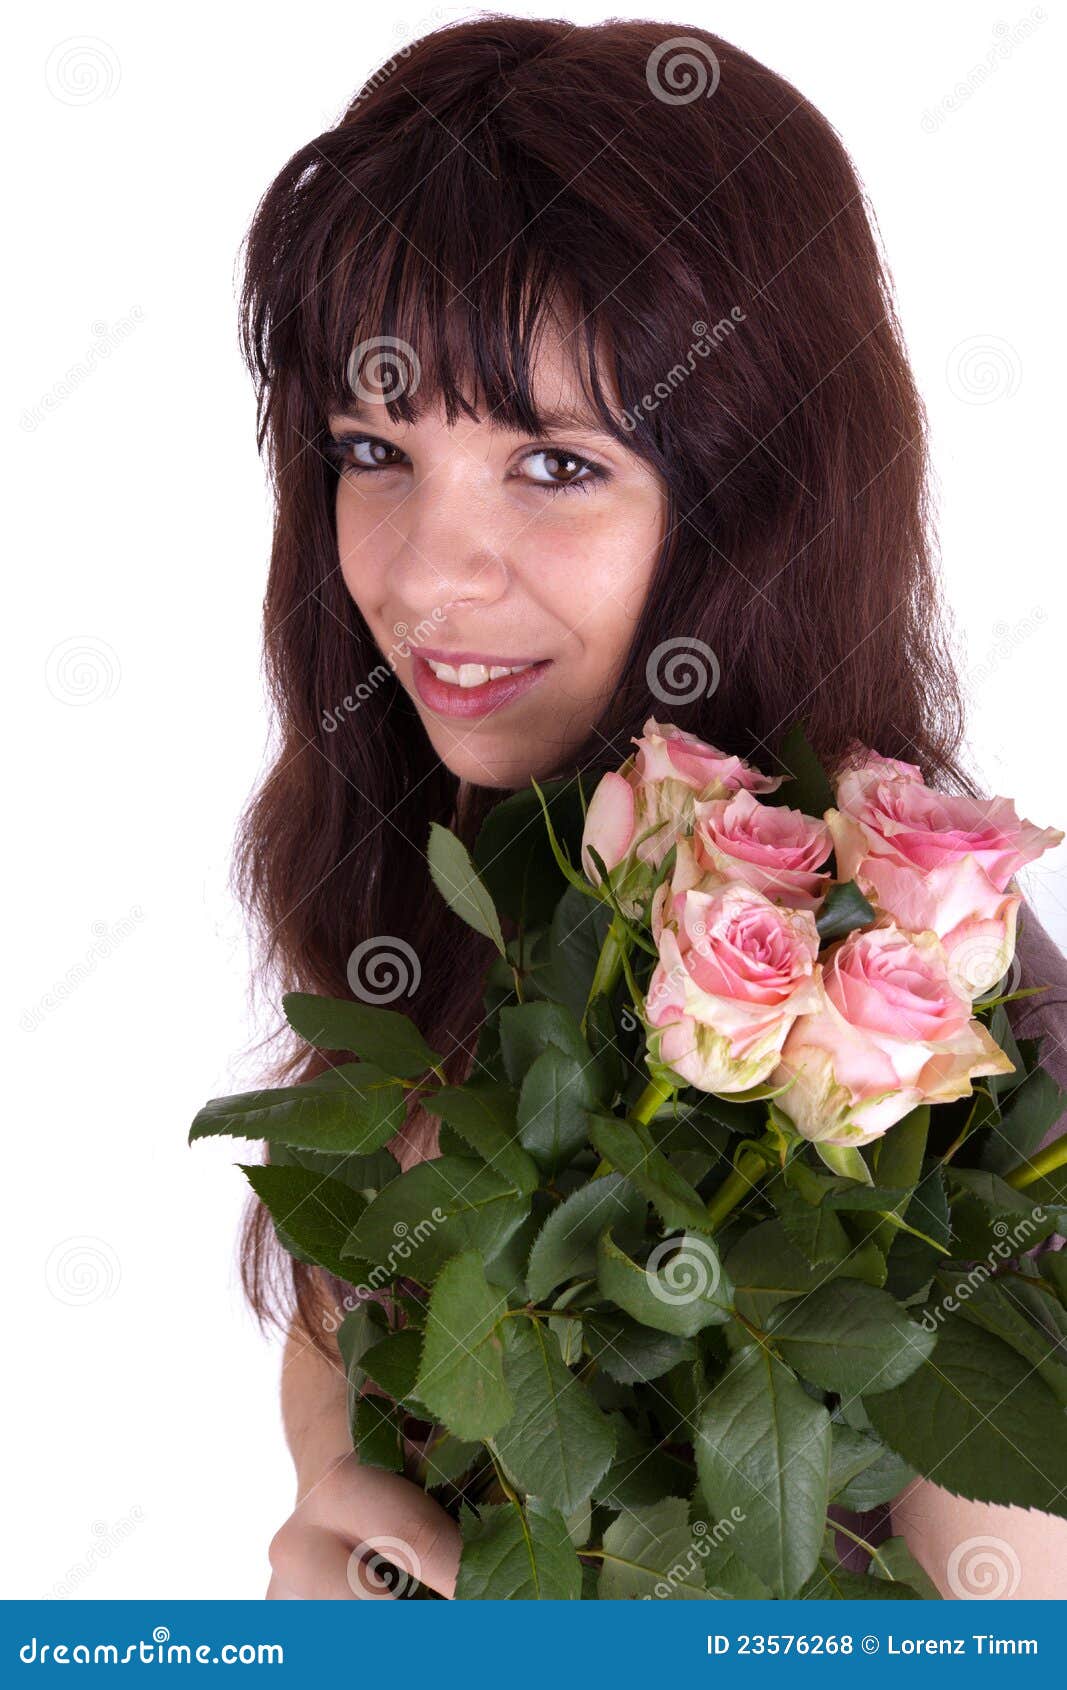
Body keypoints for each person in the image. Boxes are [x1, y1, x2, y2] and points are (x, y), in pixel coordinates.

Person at [221, 16, 1067, 1598]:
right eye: (370, 448)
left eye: (554, 465)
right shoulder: (440, 878)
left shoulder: (937, 1023)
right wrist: (335, 1549)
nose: (417, 575)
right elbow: (354, 1346)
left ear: (760, 490)